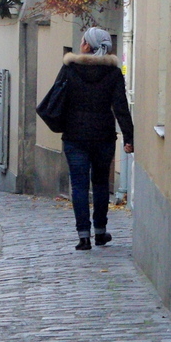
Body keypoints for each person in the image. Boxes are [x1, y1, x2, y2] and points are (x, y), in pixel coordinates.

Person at [54, 26, 134, 251]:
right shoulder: (113, 73)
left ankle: (83, 237)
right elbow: (120, 107)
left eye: (83, 40)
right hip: (103, 136)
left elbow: (57, 98)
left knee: (79, 185)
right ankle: (100, 232)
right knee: (100, 184)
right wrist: (129, 136)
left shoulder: (70, 69)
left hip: (75, 136)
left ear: (87, 45)